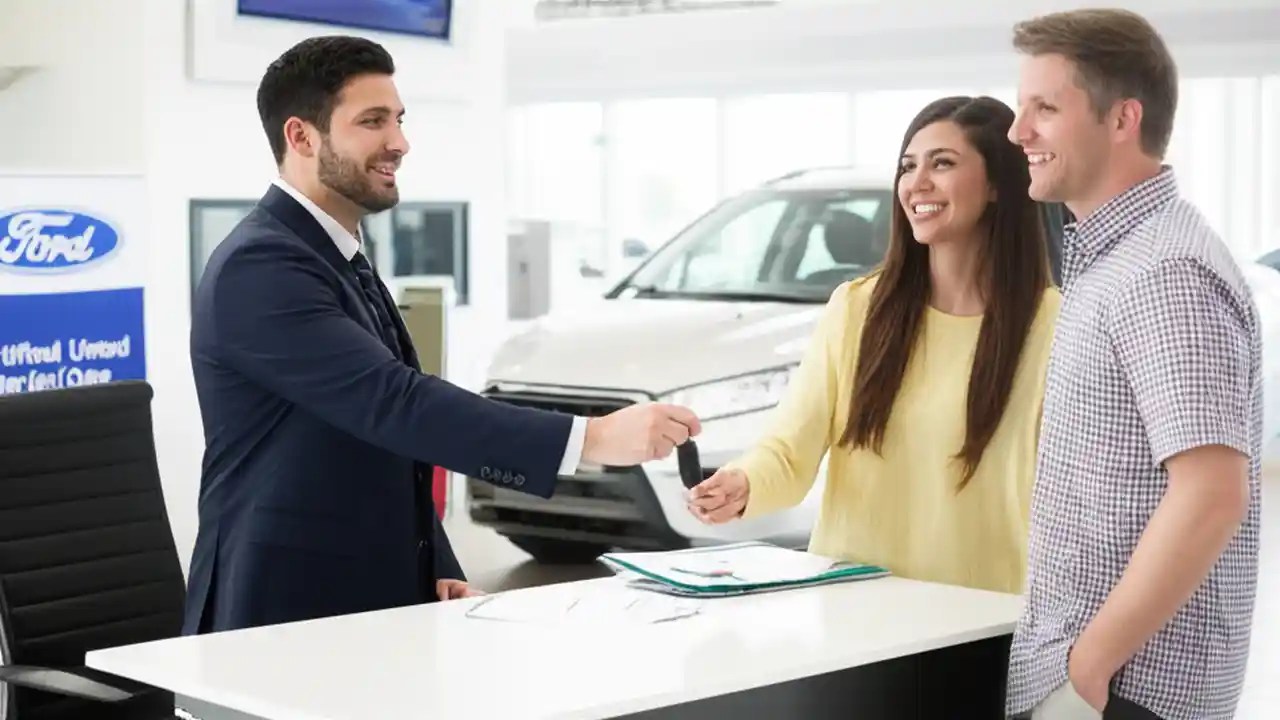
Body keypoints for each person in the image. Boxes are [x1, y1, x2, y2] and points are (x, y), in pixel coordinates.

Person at [183, 35, 700, 634]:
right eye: (372, 121)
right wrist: (592, 438)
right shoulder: (263, 265)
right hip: (281, 608)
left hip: (367, 600)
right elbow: (395, 403)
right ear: (301, 136)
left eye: (398, 120)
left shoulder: (334, 253)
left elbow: (384, 438)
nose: (399, 143)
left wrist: (432, 563)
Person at [686, 95, 1060, 596]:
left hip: (987, 618)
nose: (917, 183)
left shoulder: (1058, 325)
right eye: (908, 166)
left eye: (942, 163)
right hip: (854, 616)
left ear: (997, 184)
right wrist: (740, 484)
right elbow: (789, 450)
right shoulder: (857, 309)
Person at [1003, 9, 1262, 720]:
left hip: (1125, 693)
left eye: (1045, 108)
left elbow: (1212, 493)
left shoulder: (1164, 271)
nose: (1017, 130)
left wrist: (1088, 670)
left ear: (1122, 119)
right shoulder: (1114, 260)